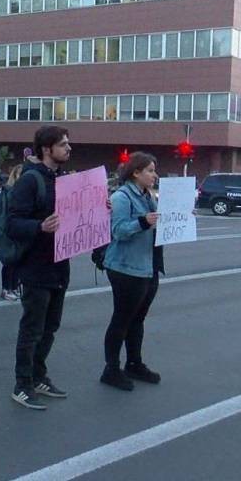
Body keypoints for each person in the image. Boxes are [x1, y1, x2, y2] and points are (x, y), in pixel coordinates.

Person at [7, 125, 72, 410]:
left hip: (60, 264)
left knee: (50, 326)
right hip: (36, 267)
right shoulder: (30, 180)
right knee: (32, 327)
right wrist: (39, 226)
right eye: (64, 144)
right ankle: (22, 385)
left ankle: (38, 375)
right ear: (47, 149)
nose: (69, 149)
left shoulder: (63, 179)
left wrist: (99, 206)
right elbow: (12, 223)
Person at [101, 152, 164, 391]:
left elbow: (156, 223)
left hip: (148, 266)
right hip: (126, 267)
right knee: (122, 318)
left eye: (154, 170)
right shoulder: (122, 196)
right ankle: (111, 369)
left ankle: (134, 362)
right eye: (149, 170)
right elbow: (117, 230)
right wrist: (143, 222)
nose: (154, 175)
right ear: (136, 172)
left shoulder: (149, 196)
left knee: (138, 319)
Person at [0, 164, 24, 302]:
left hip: (19, 230)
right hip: (9, 229)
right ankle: (6, 288)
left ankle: (14, 286)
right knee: (9, 261)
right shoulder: (8, 190)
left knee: (18, 261)